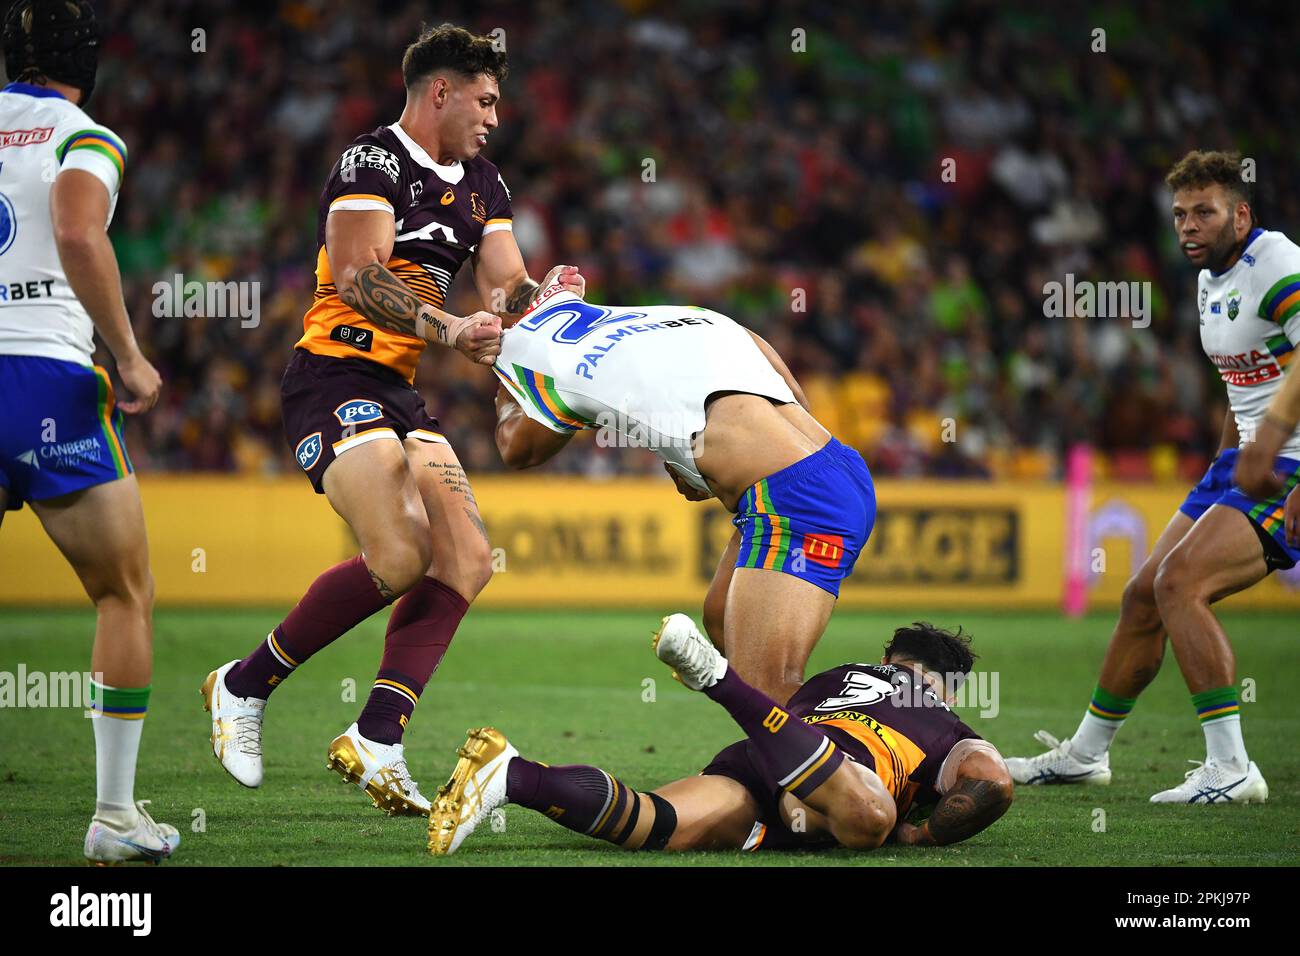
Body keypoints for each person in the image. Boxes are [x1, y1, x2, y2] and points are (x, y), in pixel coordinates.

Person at [201, 23, 584, 815]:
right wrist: (451, 330)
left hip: (400, 394)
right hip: (332, 375)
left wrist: (545, 301)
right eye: (483, 99)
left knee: (470, 558)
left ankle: (377, 737)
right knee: (402, 552)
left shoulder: (486, 183)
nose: (494, 116)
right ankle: (241, 685)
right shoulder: (372, 161)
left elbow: (503, 284)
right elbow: (357, 274)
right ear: (439, 91)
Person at [1008, 150, 1298, 804]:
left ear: (1241, 213)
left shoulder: (1277, 263)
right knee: (1143, 595)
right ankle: (1085, 756)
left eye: (1205, 212)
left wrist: (1274, 442)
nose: (1189, 226)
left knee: (1180, 585)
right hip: (1241, 463)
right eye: (1179, 215)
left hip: (1289, 466)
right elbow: (1242, 386)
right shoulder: (1208, 279)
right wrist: (1222, 471)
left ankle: (1232, 770)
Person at [491, 281, 874, 704]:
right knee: (720, 621)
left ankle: (881, 722)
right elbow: (795, 397)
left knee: (767, 684)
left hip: (793, 502)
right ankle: (853, 721)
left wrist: (507, 394)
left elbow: (517, 449)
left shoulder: (566, 369)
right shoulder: (681, 317)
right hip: (835, 464)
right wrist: (718, 458)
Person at [0, 0, 176, 862]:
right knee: (122, 592)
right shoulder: (84, 135)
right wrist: (130, 356)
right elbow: (75, 229)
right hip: (43, 381)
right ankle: (112, 817)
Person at [427, 617, 1012, 855]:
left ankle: (512, 774)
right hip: (832, 777)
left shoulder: (835, 677)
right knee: (871, 820)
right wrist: (924, 836)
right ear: (948, 688)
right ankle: (719, 679)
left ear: (888, 657)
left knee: (659, 823)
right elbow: (994, 786)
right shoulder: (943, 718)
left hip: (766, 763)